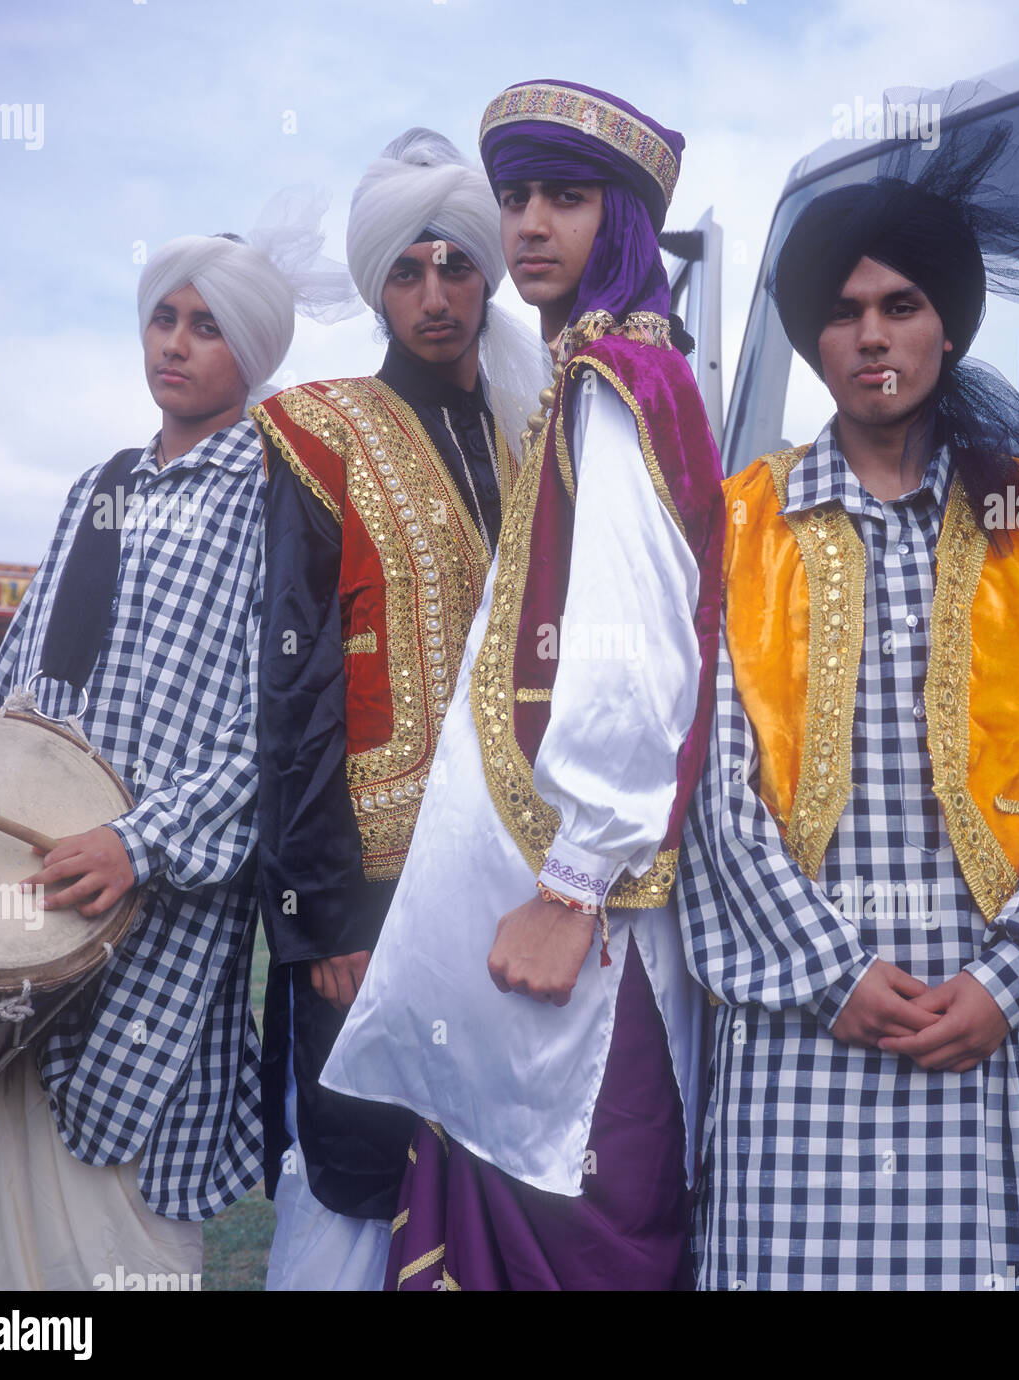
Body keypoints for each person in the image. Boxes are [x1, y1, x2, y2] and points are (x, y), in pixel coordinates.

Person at [678, 95, 1019, 1290]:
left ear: (948, 329)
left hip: (984, 1030)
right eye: (839, 314)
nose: (870, 335)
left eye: (901, 306)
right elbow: (716, 790)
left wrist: (1004, 984)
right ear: (814, 341)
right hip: (804, 1035)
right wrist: (831, 977)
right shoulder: (741, 530)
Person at [321, 80, 726, 1290]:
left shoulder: (617, 384)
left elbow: (633, 646)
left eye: (567, 196)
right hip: (519, 903)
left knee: (587, 1206)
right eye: (517, 198)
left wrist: (572, 883)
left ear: (628, 224)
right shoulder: (599, 377)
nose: (533, 224)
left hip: (568, 918)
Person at [0, 192, 354, 1290]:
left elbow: (281, 733)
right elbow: (22, 685)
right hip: (26, 889)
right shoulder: (100, 486)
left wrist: (138, 842)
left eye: (208, 325)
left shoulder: (282, 497)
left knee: (117, 1223)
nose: (175, 343)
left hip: (158, 913)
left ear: (254, 349)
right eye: (164, 318)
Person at [252, 129, 548, 1291]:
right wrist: (320, 921)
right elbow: (292, 684)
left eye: (458, 265)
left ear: (487, 275)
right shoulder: (320, 432)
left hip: (504, 878)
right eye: (408, 271)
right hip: (366, 888)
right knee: (363, 1170)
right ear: (378, 285)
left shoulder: (532, 440)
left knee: (490, 1156)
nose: (436, 295)